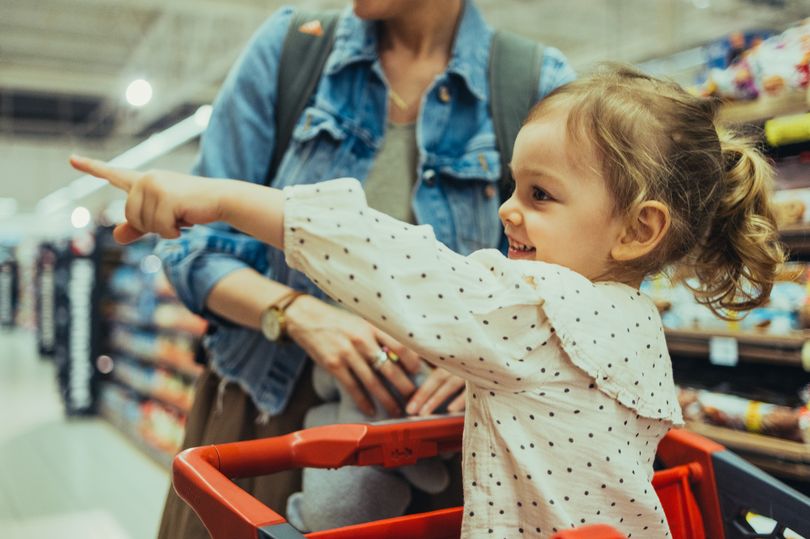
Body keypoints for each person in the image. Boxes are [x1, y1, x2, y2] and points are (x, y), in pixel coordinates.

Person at [71, 65, 785, 537]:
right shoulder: (633, 318)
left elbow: (395, 263)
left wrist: (226, 199)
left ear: (638, 230)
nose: (508, 210)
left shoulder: (538, 307)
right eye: (513, 186)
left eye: (540, 195)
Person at [144, 0, 575, 536]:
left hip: (448, 436)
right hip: (269, 414)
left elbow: (577, 283)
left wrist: (490, 356)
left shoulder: (532, 80)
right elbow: (196, 249)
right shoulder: (295, 49)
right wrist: (295, 313)